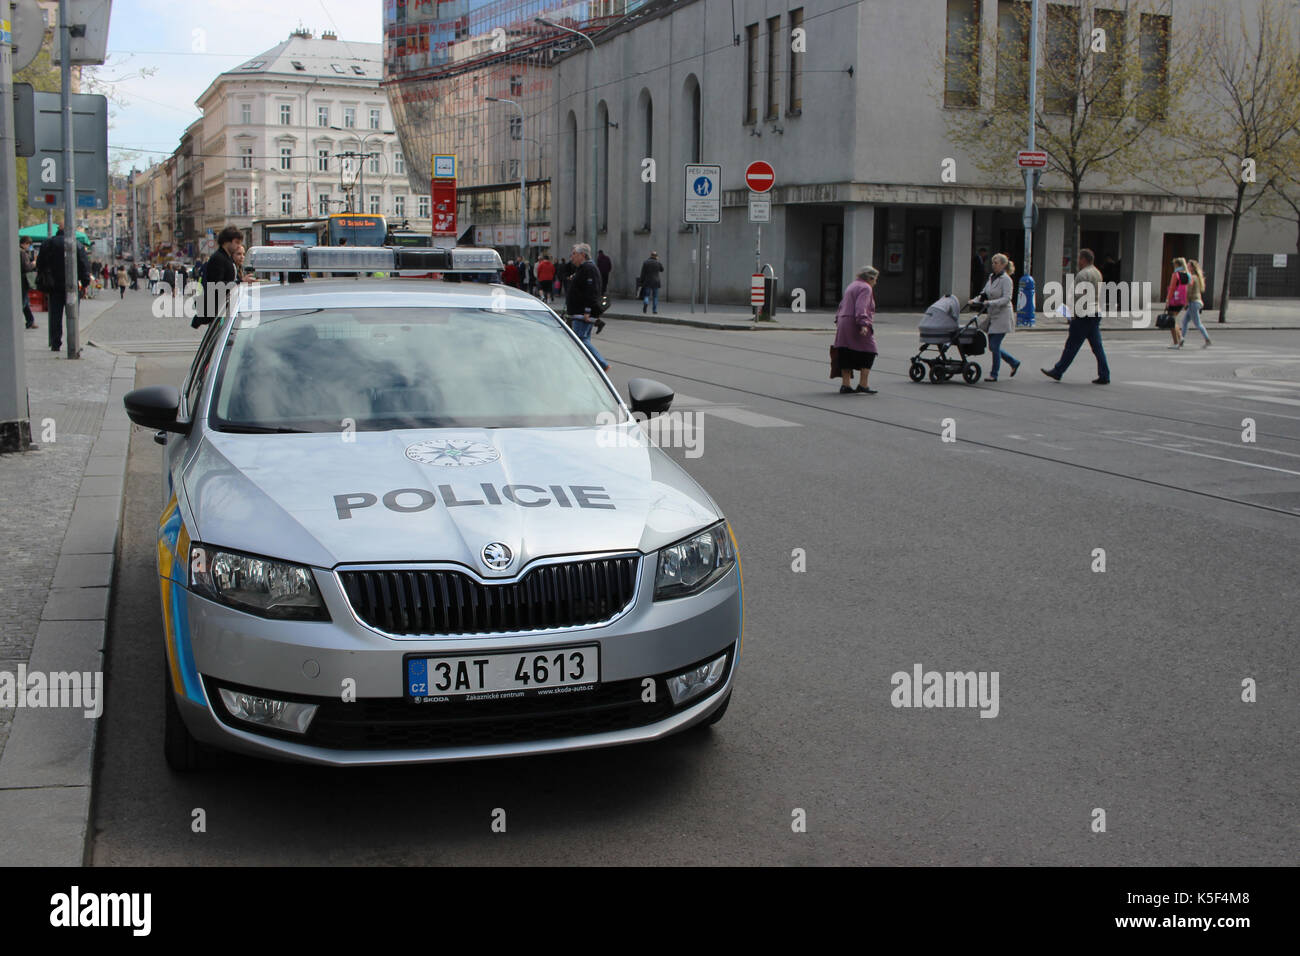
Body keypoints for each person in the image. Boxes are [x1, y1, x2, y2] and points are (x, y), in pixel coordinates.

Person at [1042, 248, 1110, 384]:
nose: (1078, 261)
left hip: (1083, 314)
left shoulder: (1082, 275)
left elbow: (1079, 296)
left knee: (1072, 345)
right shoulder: (1097, 273)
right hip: (1095, 312)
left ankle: (1058, 370)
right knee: (1097, 347)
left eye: (1079, 258)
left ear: (1084, 259)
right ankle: (1104, 374)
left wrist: (1073, 314)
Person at [35, 226, 90, 352]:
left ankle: (55, 343)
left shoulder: (48, 244)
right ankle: (74, 342)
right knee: (73, 314)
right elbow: (83, 264)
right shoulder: (76, 244)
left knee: (55, 315)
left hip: (53, 285)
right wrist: (85, 282)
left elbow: (39, 264)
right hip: (71, 286)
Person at [969, 253, 1020, 382]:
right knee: (993, 347)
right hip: (993, 315)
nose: (993, 265)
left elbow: (1007, 298)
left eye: (996, 263)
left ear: (1003, 265)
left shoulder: (1007, 280)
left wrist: (990, 303)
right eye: (992, 263)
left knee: (994, 345)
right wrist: (974, 300)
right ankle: (1013, 362)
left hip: (1003, 316)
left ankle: (994, 374)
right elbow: (984, 293)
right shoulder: (992, 277)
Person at [830, 265, 880, 394]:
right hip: (855, 322)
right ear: (870, 277)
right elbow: (861, 306)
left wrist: (838, 319)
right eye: (875, 279)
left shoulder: (852, 285)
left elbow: (842, 304)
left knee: (845, 351)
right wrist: (863, 323)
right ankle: (863, 384)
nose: (876, 282)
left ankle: (845, 385)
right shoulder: (866, 288)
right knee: (870, 351)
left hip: (843, 321)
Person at [564, 243, 609, 372]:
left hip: (582, 312)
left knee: (580, 340)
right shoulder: (583, 268)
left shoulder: (589, 269)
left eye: (574, 254)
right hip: (578, 312)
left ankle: (602, 364)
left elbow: (592, 291)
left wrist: (587, 311)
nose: (571, 257)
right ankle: (589, 366)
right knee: (583, 339)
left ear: (582, 255)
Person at [194, 225, 242, 329]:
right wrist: (240, 282)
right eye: (236, 242)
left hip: (225, 307)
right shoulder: (218, 258)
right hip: (218, 309)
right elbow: (217, 285)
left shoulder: (227, 257)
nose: (238, 246)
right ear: (227, 241)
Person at [1178, 259, 1211, 348]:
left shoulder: (1193, 277)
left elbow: (1189, 291)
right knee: (1184, 321)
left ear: (1192, 268)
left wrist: (1185, 302)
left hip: (1193, 302)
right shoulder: (1196, 277)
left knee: (1197, 323)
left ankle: (1207, 339)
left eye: (1188, 266)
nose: (1187, 267)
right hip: (1195, 302)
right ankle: (1181, 340)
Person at [1164, 257, 1189, 348]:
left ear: (1177, 265)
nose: (1173, 266)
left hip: (1174, 300)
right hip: (1182, 301)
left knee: (1171, 321)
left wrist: (1167, 300)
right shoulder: (1187, 275)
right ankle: (1180, 338)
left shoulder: (1176, 274)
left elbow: (1172, 288)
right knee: (1173, 319)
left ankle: (1176, 342)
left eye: (1174, 264)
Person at [19, 236, 38, 330]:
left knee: (25, 301)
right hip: (23, 280)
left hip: (21, 280)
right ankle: (28, 321)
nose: (29, 247)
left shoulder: (20, 252)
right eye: (28, 245)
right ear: (25, 243)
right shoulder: (22, 253)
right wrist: (33, 264)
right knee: (23, 301)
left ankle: (30, 321)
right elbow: (26, 267)